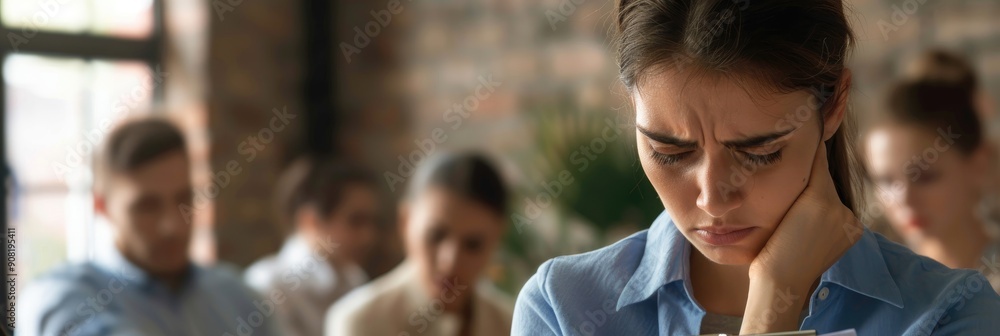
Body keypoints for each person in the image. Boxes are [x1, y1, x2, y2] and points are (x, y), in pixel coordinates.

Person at [512, 0, 1000, 335]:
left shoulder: (946, 315)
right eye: (670, 152)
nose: (712, 198)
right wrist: (771, 309)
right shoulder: (564, 310)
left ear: (834, 104)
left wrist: (778, 298)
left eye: (759, 152)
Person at [18, 118, 278, 336]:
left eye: (184, 199)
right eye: (147, 207)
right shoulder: (63, 297)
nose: (172, 226)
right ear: (102, 206)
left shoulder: (239, 298)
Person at [325, 152, 513, 336]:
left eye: (473, 244)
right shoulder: (359, 323)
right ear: (405, 221)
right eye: (436, 236)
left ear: (497, 238)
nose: (450, 262)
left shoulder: (514, 324)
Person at [864, 74, 1000, 292]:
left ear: (978, 165)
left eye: (925, 176)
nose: (904, 199)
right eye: (886, 181)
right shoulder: (877, 286)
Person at [244, 157, 379, 336]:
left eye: (371, 221)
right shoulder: (268, 284)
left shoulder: (353, 279)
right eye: (355, 221)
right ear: (310, 221)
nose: (368, 237)